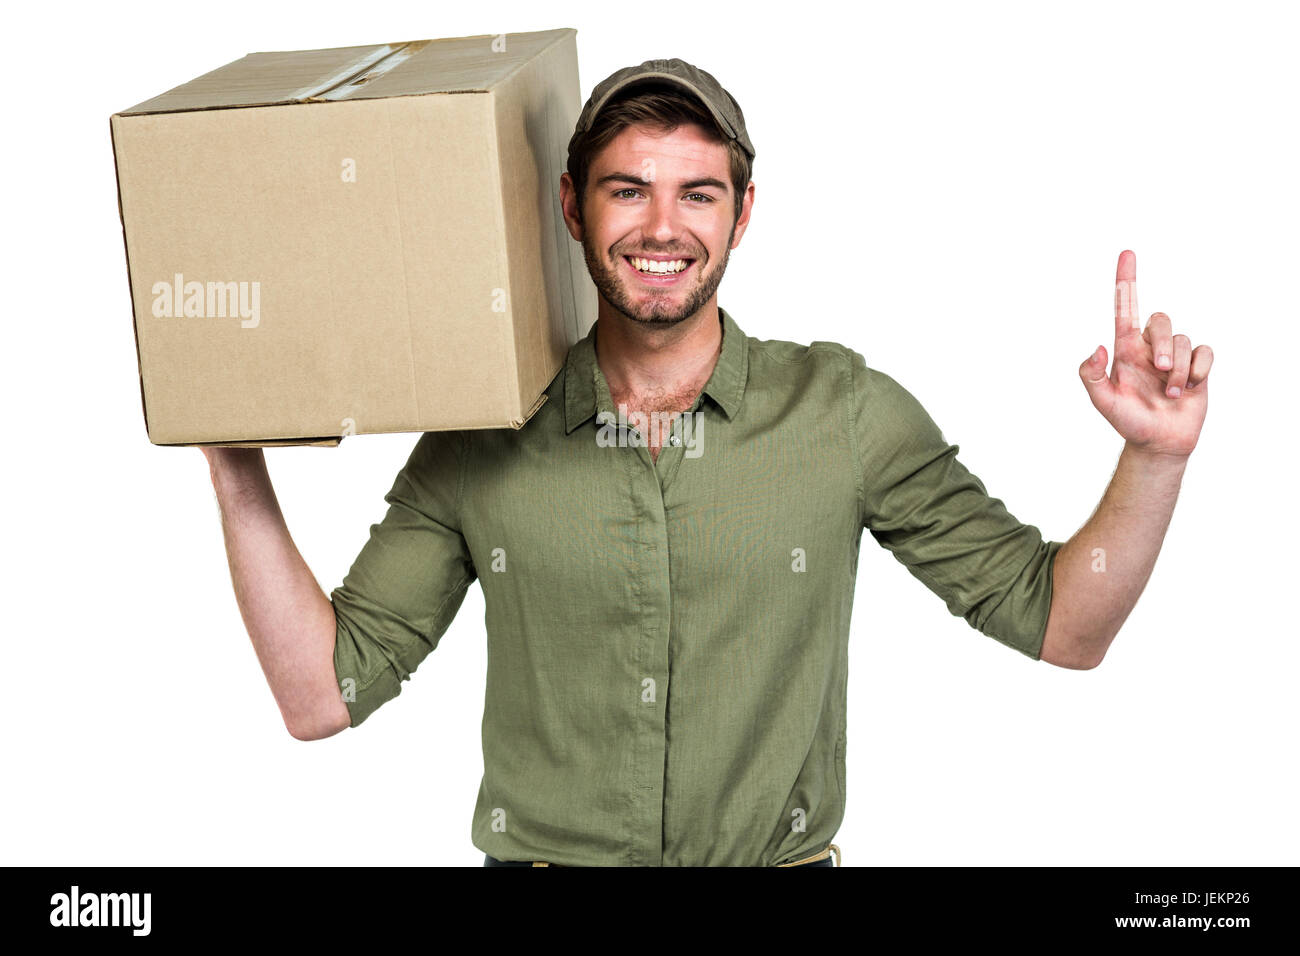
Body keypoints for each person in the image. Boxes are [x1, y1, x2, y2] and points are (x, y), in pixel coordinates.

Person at [202, 58, 1213, 867]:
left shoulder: (844, 412)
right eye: (626, 190)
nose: (660, 227)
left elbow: (1065, 626)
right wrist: (232, 453)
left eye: (697, 193)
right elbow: (320, 694)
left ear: (741, 213)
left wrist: (1152, 456)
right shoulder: (483, 431)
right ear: (570, 205)